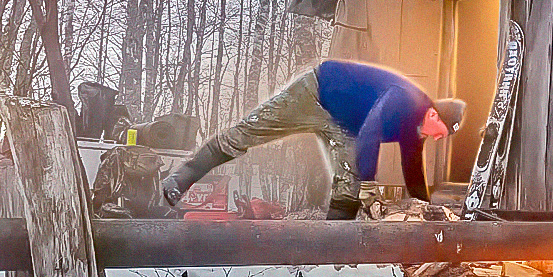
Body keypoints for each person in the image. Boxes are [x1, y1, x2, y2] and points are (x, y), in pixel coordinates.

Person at [162, 60, 465, 219]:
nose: (438, 139)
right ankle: (181, 178)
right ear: (436, 116)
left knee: (350, 183)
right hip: (314, 94)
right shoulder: (407, 99)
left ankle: (332, 248)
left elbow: (413, 169)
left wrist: (425, 209)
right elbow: (371, 129)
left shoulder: (416, 129)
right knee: (247, 132)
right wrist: (371, 185)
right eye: (443, 134)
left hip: (344, 125)